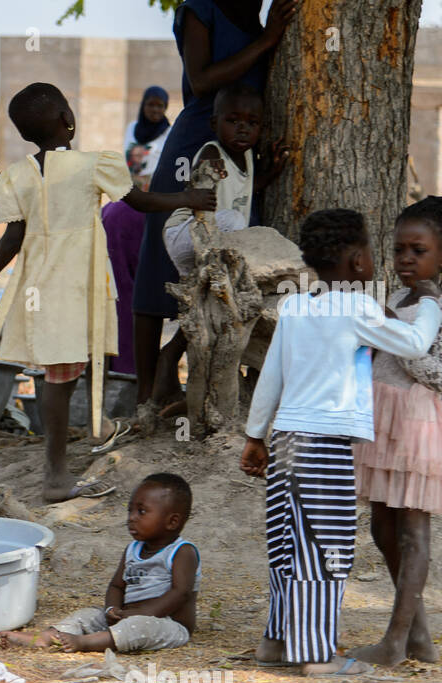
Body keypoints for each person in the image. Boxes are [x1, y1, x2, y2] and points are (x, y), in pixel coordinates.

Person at [0, 83, 215, 503]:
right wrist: (187, 196)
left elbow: (13, 235)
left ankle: (88, 437)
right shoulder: (92, 165)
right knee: (64, 376)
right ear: (69, 120)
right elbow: (139, 200)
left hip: (39, 287)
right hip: (76, 284)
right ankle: (56, 475)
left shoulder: (17, 177)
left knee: (60, 372)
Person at [240, 209, 442, 677]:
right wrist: (430, 302)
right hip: (325, 449)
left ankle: (275, 641)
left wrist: (255, 436)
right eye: (372, 250)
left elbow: (270, 377)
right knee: (327, 547)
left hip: (286, 444)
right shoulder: (356, 309)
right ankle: (315, 655)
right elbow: (413, 343)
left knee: (287, 547)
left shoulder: (294, 309)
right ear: (356, 261)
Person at [132, 0, 295, 410]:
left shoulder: (258, 16)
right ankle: (146, 395)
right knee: (160, 269)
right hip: (197, 147)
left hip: (240, 156)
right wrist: (268, 40)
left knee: (229, 267)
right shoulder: (200, 9)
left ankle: (179, 368)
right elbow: (201, 81)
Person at [349, 198, 442, 668]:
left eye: (418, 251)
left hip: (417, 423)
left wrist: (397, 331)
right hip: (380, 419)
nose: (406, 261)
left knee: (414, 532)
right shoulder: (394, 299)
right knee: (381, 526)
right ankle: (418, 635)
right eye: (399, 250)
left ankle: (394, 644)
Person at [2, 473, 200, 652]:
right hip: (127, 617)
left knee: (140, 627)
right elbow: (116, 585)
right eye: (130, 510)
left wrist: (145, 613)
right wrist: (111, 609)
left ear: (172, 521)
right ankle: (46, 637)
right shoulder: (133, 549)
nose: (131, 518)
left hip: (168, 625)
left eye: (141, 512)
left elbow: (180, 593)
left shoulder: (182, 552)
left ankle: (86, 643)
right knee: (87, 615)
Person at [163, 83, 288, 275]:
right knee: (235, 221)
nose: (243, 129)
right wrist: (208, 169)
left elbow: (245, 188)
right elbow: (197, 179)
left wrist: (272, 171)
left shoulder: (247, 156)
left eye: (252, 123)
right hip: (184, 234)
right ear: (214, 124)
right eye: (232, 121)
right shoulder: (212, 152)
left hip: (212, 238)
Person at [123, 85, 172, 190]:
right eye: (150, 104)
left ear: (165, 107)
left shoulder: (170, 133)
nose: (155, 110)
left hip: (155, 193)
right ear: (143, 105)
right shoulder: (131, 127)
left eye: (160, 105)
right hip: (129, 191)